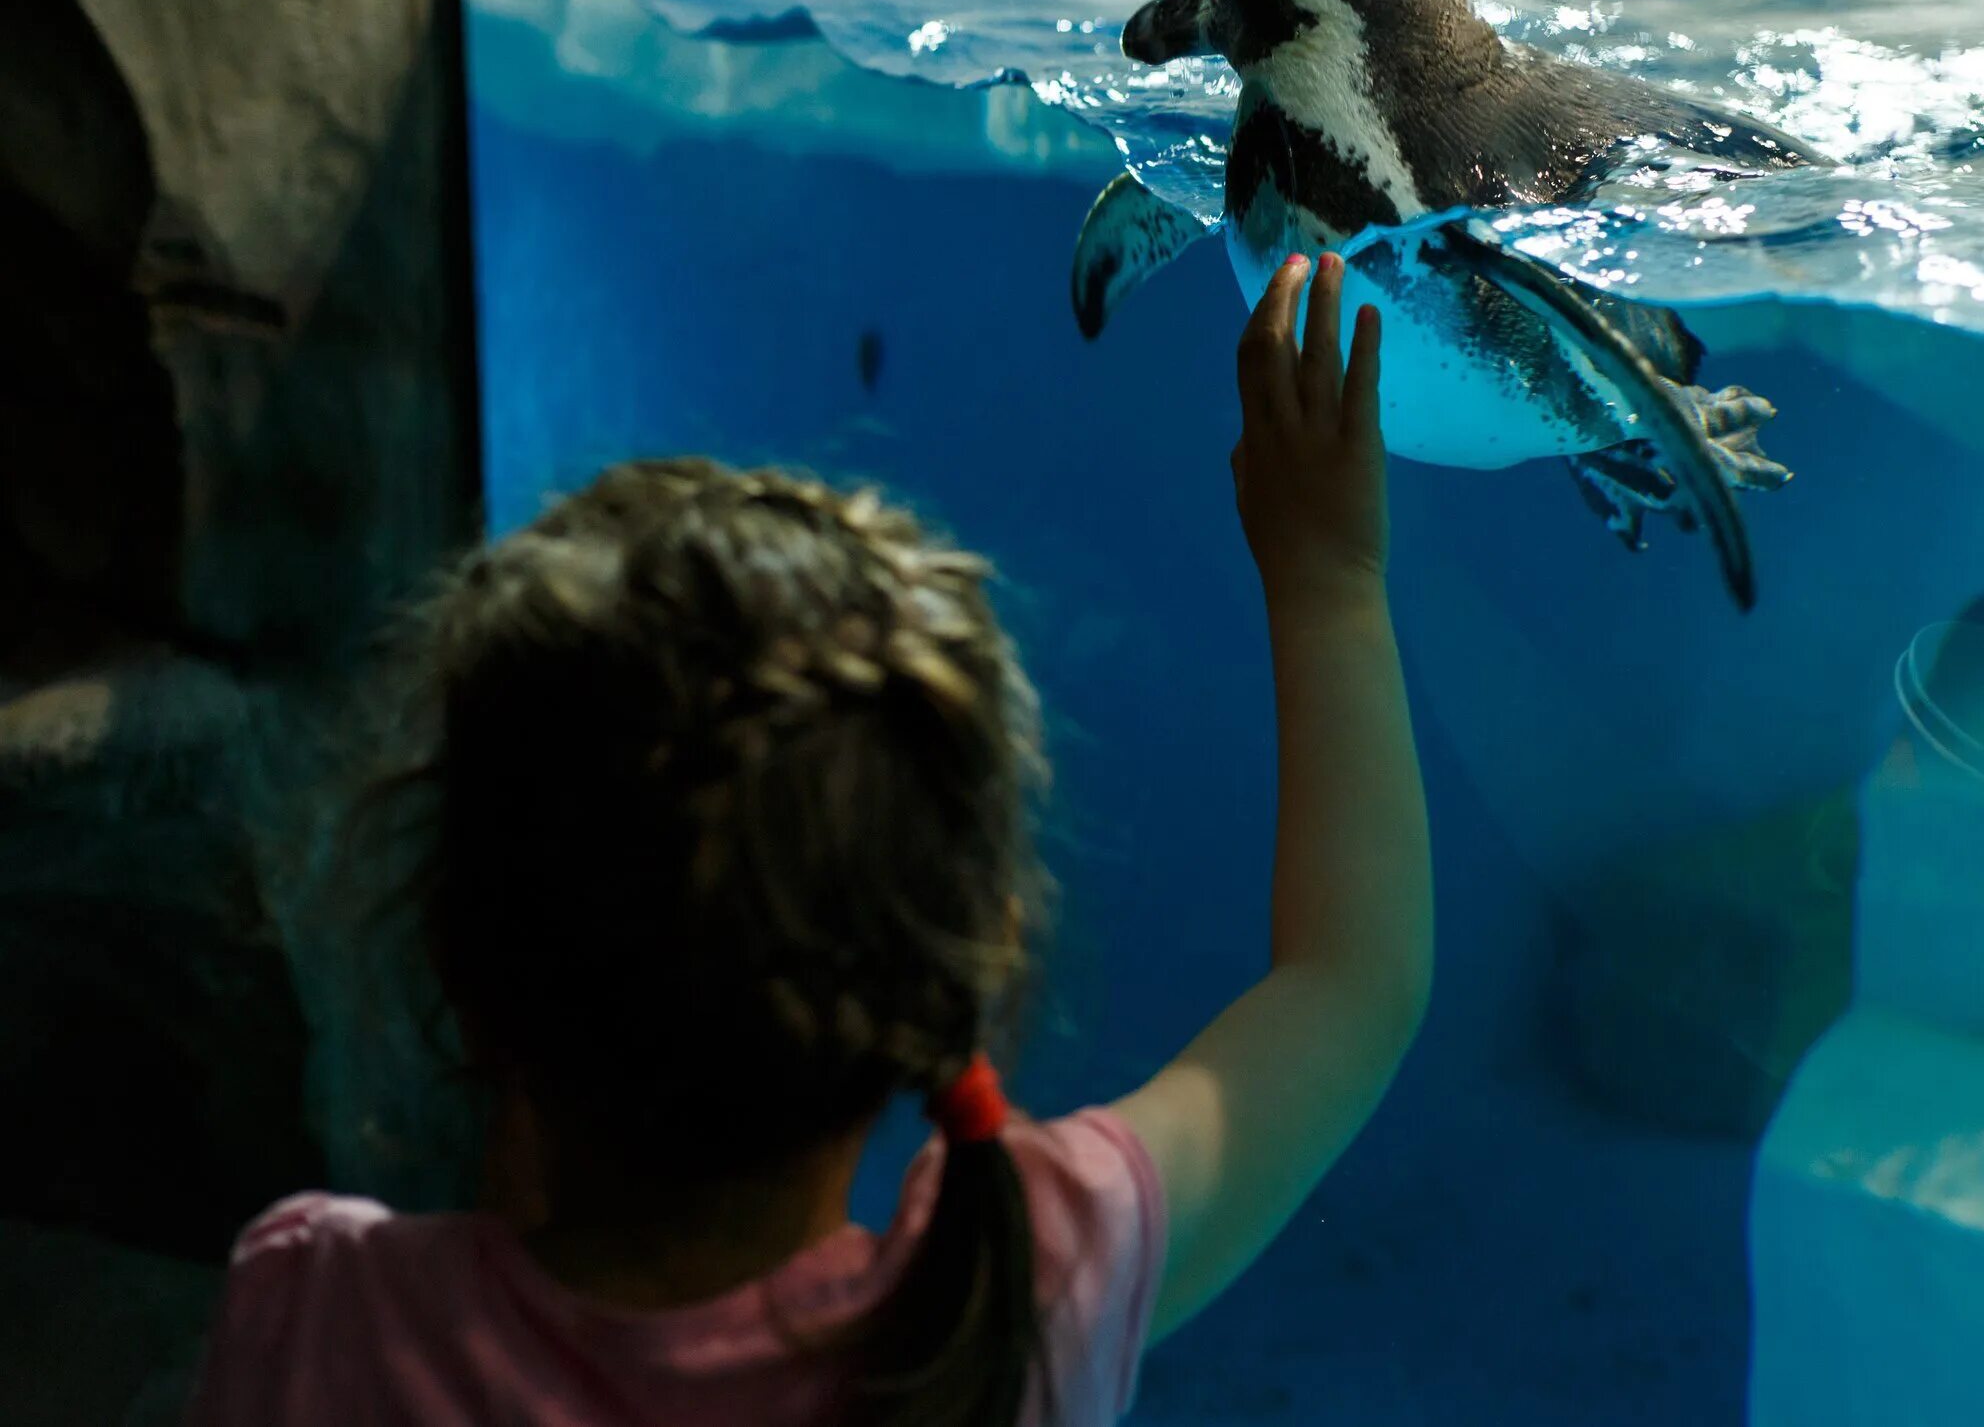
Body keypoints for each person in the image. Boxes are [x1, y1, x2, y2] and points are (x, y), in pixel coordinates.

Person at [182, 253, 1428, 1426]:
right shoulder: (1023, 1309)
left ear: (456, 942)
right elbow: (1352, 982)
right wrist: (1328, 571)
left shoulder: (316, 1317)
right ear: (969, 955)